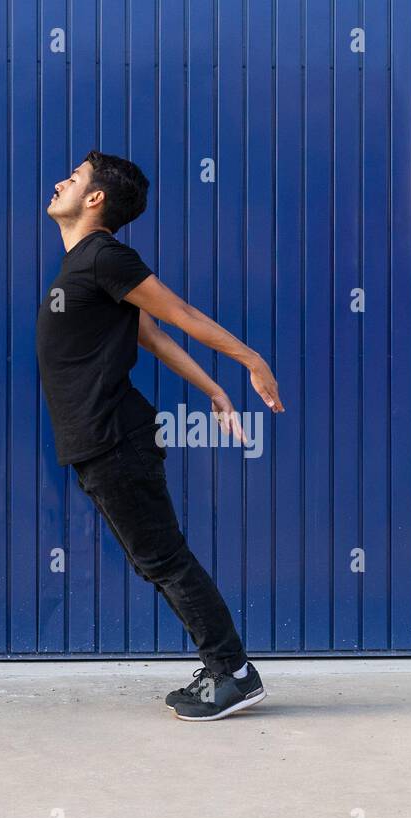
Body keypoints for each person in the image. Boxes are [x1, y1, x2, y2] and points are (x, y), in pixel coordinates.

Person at [37, 150, 284, 721]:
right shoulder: (86, 265)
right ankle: (225, 667)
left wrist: (248, 359)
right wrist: (213, 389)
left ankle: (234, 672)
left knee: (164, 559)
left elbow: (177, 313)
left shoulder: (105, 255)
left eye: (72, 179)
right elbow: (148, 332)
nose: (59, 182)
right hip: (98, 439)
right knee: (157, 560)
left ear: (94, 198)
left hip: (114, 436)